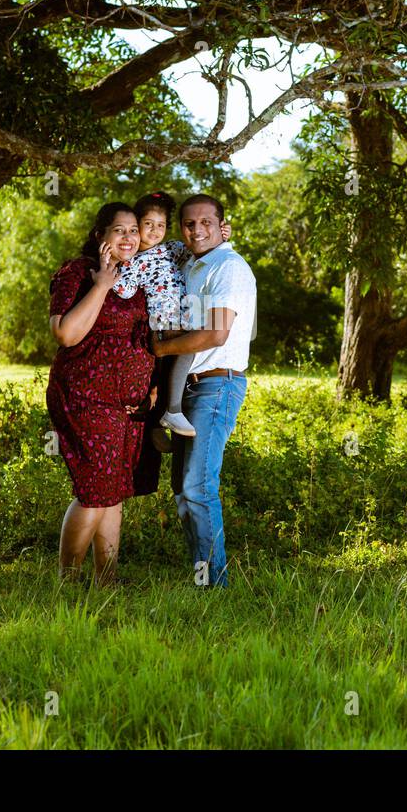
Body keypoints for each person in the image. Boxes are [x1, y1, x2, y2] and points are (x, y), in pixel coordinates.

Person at [46, 202, 155, 585]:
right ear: (100, 236)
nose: (128, 237)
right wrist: (102, 285)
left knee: (114, 491)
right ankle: (67, 580)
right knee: (95, 490)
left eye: (133, 230)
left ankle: (106, 580)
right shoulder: (77, 273)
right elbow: (66, 334)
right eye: (119, 230)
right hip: (85, 397)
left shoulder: (142, 274)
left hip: (128, 406)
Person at [151, 193, 256, 588]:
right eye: (189, 224)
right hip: (188, 388)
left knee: (198, 484)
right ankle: (202, 576)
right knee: (182, 487)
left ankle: (216, 583)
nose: (197, 230)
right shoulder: (193, 265)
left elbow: (216, 332)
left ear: (221, 224)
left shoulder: (228, 266)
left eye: (206, 222)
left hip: (216, 384)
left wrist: (160, 348)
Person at [112, 191, 232, 438]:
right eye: (148, 225)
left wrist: (221, 237)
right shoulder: (133, 262)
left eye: (161, 225)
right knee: (186, 352)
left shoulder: (172, 248)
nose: (155, 231)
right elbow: (123, 291)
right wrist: (108, 270)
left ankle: (157, 424)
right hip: (166, 316)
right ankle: (173, 410)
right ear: (137, 226)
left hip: (184, 311)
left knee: (168, 369)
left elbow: (200, 252)